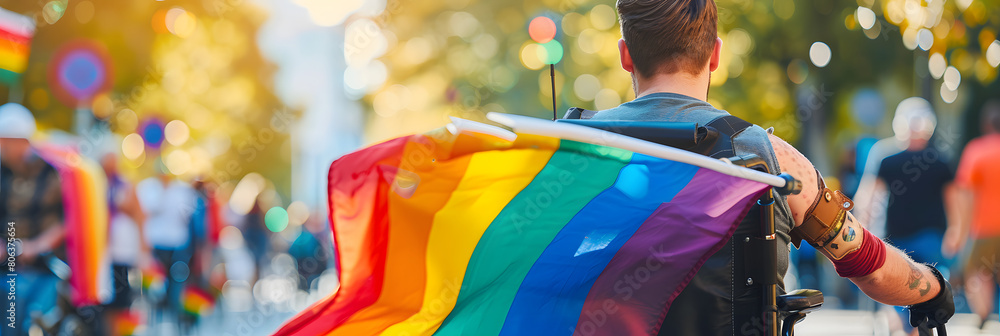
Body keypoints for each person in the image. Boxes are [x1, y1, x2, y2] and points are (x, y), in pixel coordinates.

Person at [590, 0, 953, 333]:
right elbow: (867, 264)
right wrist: (931, 286)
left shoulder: (568, 149)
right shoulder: (768, 155)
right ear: (715, 55)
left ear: (625, 55)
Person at [853, 97, 955, 334]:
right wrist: (956, 232)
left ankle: (905, 329)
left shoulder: (886, 158)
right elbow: (955, 200)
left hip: (895, 240)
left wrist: (863, 230)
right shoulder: (940, 160)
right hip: (932, 238)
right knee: (931, 295)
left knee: (897, 296)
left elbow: (868, 197)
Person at [0, 103, 64, 335]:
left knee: (30, 323)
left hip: (45, 269)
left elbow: (67, 221)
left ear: (23, 142)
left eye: (4, 140)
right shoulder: (2, 171)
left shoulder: (52, 172)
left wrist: (36, 246)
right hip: (5, 269)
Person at [944, 100, 1000, 329]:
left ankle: (984, 312)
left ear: (986, 124)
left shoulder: (976, 150)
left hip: (983, 229)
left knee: (976, 273)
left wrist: (958, 230)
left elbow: (964, 194)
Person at [136, 160, 198, 321]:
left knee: (176, 281)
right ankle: (156, 315)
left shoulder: (183, 190)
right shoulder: (147, 188)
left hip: (177, 245)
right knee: (154, 284)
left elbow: (187, 218)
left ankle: (173, 313)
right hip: (155, 244)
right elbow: (146, 213)